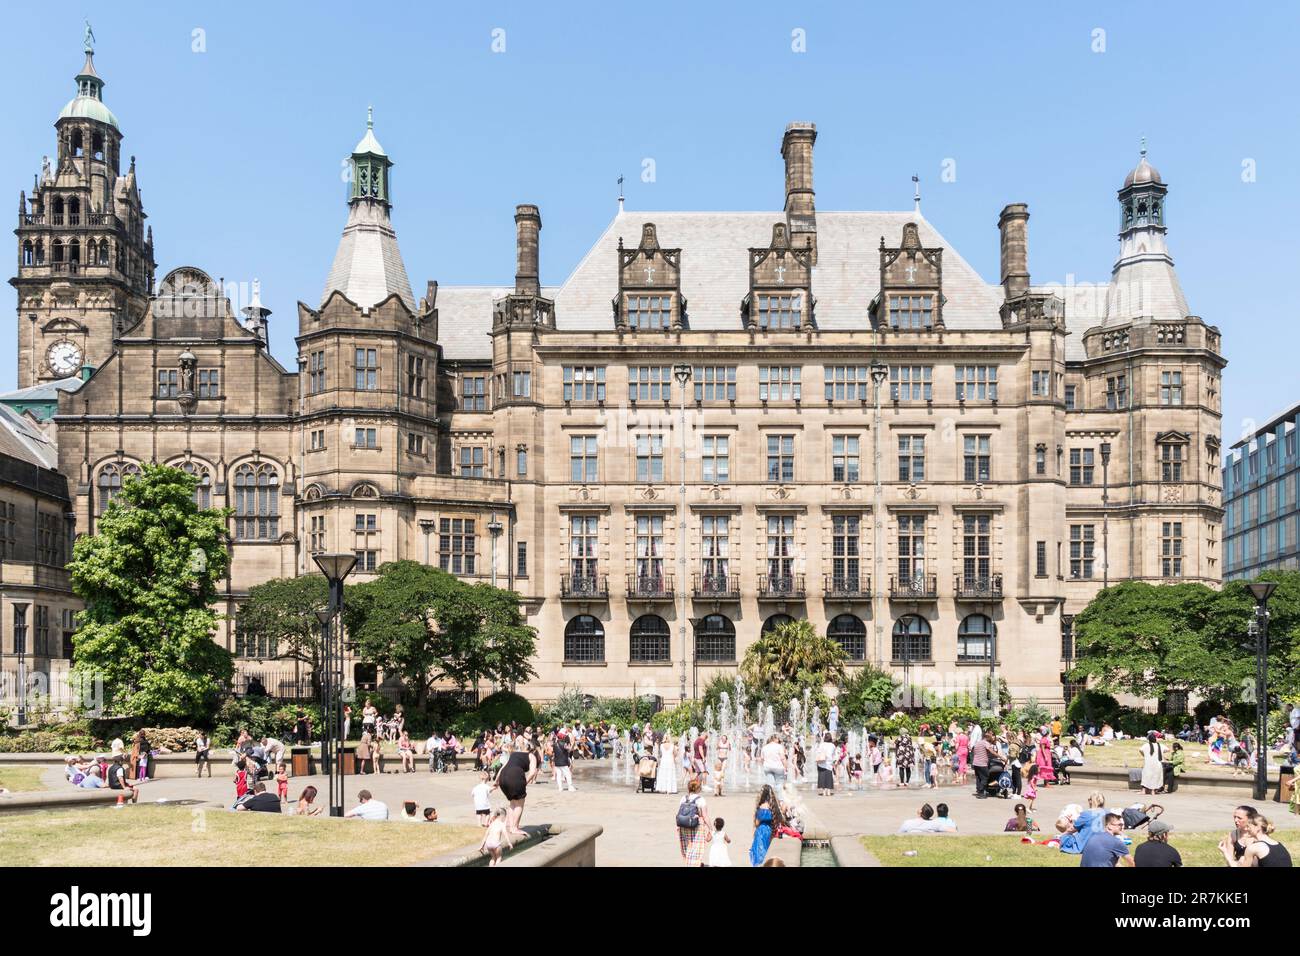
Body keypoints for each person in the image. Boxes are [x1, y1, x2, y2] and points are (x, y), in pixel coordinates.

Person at [492, 736, 539, 838]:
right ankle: (514, 828)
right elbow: (532, 773)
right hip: (515, 777)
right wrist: (524, 783)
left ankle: (510, 826)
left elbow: (503, 767)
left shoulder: (514, 754)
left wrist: (496, 781)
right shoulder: (532, 756)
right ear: (532, 749)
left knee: (513, 802)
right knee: (519, 803)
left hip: (503, 778)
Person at [1221, 810, 1292, 867]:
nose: (1246, 828)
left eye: (1248, 826)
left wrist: (1225, 852)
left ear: (1257, 828)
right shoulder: (1277, 844)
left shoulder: (1254, 848)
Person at [676, 778, 711, 867]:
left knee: (687, 846)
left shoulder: (684, 798)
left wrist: (677, 826)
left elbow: (679, 812)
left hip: (683, 825)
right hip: (696, 826)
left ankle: (692, 863)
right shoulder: (701, 799)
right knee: (696, 847)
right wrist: (710, 829)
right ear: (698, 789)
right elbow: (705, 816)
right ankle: (694, 864)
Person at [750, 785, 781, 866]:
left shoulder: (761, 807)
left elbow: (757, 823)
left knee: (759, 851)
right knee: (767, 850)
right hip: (770, 830)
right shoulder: (773, 807)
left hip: (761, 830)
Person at [971, 731, 993, 798]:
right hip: (982, 763)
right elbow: (992, 752)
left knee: (978, 778)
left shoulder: (977, 743)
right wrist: (1001, 757)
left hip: (975, 763)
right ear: (987, 737)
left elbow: (974, 752)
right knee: (985, 777)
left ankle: (979, 792)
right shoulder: (985, 743)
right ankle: (981, 791)